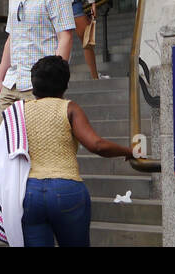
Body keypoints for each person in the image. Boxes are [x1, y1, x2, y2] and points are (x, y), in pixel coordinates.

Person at [20, 55, 132, 247]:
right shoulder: (69, 108)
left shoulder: (19, 111)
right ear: (65, 85)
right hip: (67, 189)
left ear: (33, 85)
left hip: (29, 192)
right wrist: (128, 151)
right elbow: (96, 145)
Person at [0, 0, 75, 137]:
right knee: (0, 143)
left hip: (39, 83)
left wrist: (55, 81)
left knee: (37, 145)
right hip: (12, 82)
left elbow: (65, 36)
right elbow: (13, 37)